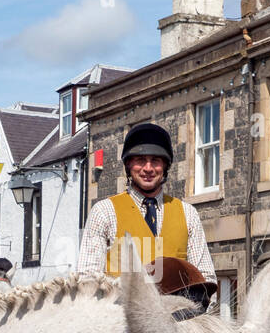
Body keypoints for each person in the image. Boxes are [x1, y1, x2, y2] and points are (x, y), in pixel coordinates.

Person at [76, 121, 216, 295]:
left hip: (179, 318)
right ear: (128, 165)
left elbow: (206, 277)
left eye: (156, 160)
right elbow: (87, 281)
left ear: (165, 166)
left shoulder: (188, 214)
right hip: (121, 318)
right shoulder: (104, 212)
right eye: (140, 160)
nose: (148, 168)